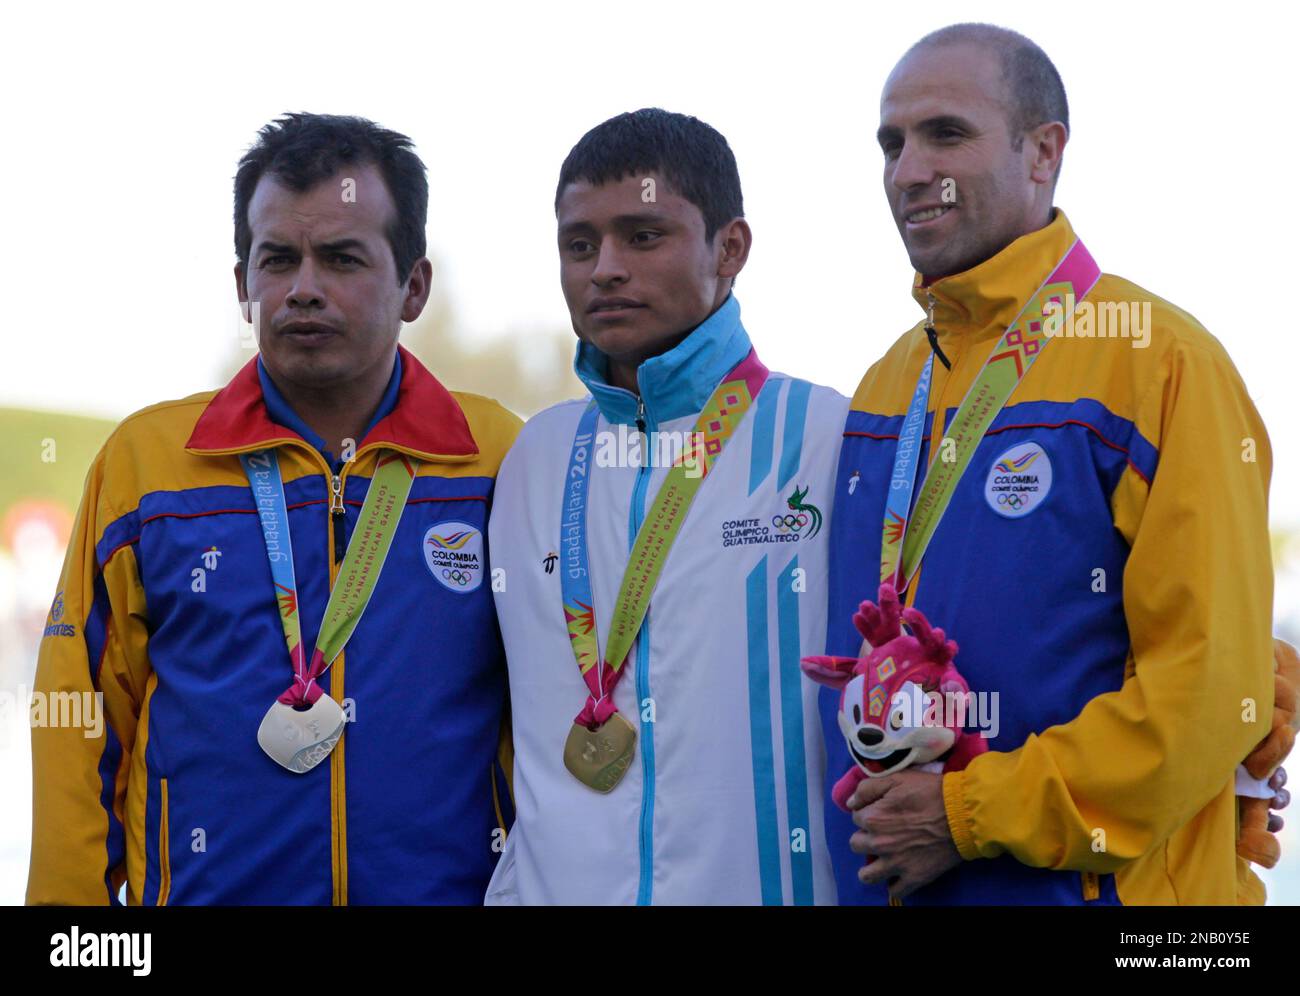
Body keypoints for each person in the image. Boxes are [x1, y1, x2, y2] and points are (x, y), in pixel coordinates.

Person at [821, 23, 1285, 905]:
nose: (908, 169)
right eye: (892, 143)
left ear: (1045, 151)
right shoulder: (886, 385)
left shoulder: (1158, 361)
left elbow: (1206, 688)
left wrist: (967, 813)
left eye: (945, 134)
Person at [27, 113, 520, 905]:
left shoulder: (497, 460)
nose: (303, 288)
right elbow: (76, 717)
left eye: (342, 258)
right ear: (241, 285)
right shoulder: (147, 465)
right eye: (277, 259)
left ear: (414, 286)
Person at [485, 108, 847, 904]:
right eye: (579, 245)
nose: (605, 267)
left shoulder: (828, 437)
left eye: (643, 236)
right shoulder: (531, 459)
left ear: (731, 248)